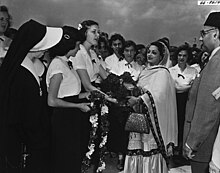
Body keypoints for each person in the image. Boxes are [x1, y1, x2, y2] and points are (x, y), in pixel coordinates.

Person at [0, 19, 63, 173]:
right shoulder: (21, 74)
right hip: (25, 142)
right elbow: (23, 115)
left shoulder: (25, 65)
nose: (47, 50)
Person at [124, 41, 178, 173]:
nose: (150, 54)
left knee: (150, 150)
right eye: (148, 51)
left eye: (154, 52)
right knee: (138, 149)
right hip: (140, 118)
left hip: (154, 121)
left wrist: (139, 99)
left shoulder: (163, 73)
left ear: (161, 56)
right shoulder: (144, 71)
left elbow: (159, 96)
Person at [46, 26, 90, 173]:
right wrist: (78, 106)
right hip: (63, 119)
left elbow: (69, 93)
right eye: (77, 46)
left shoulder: (67, 63)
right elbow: (52, 100)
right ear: (68, 46)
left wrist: (84, 96)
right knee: (65, 158)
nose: (79, 49)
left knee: (73, 157)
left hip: (72, 117)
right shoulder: (57, 65)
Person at [183, 12, 220, 173]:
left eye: (203, 33)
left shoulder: (217, 62)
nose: (200, 39)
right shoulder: (213, 59)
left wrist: (193, 142)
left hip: (204, 144)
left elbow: (207, 107)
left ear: (216, 34)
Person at [107, 40, 143, 171]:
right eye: (127, 50)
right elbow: (112, 83)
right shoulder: (117, 66)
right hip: (119, 104)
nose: (129, 53)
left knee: (131, 132)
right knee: (120, 132)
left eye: (132, 51)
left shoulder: (139, 67)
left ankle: (131, 157)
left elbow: (139, 85)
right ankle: (121, 158)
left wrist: (133, 88)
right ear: (123, 52)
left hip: (132, 104)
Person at [169, 44, 198, 156]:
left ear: (188, 57)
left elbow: (194, 87)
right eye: (180, 55)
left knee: (185, 123)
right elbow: (174, 88)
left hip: (188, 100)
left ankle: (183, 148)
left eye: (184, 56)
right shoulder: (171, 71)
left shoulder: (193, 71)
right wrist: (187, 86)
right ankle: (174, 147)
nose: (181, 58)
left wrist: (181, 87)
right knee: (176, 123)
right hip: (174, 100)